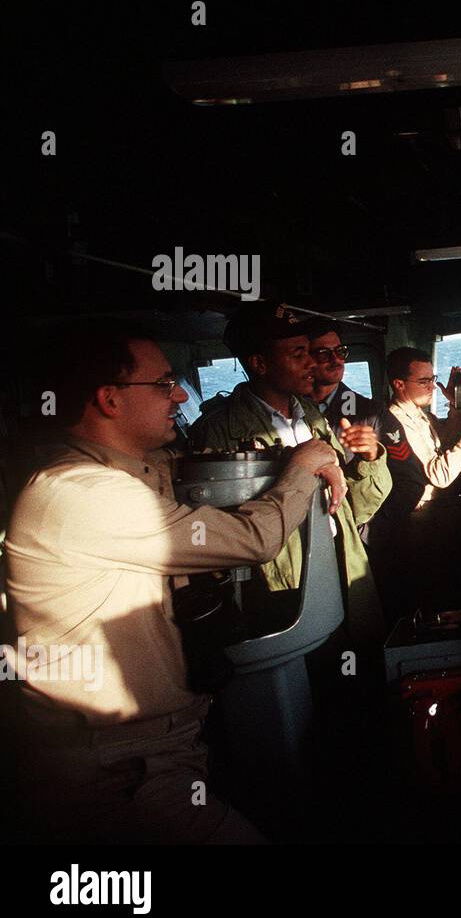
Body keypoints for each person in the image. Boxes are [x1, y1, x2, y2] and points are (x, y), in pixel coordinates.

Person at [3, 322, 343, 842]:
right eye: (164, 384)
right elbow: (254, 539)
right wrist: (303, 467)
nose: (181, 394)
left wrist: (315, 453)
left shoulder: (128, 470)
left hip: (155, 749)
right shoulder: (79, 493)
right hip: (118, 770)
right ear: (110, 400)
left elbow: (191, 467)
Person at [187, 302, 392, 655]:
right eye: (299, 354)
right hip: (281, 585)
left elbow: (350, 510)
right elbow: (215, 539)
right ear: (259, 363)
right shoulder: (218, 432)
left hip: (340, 565)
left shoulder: (313, 418)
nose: (312, 363)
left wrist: (371, 459)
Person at [368, 347, 461, 619]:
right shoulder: (396, 423)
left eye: (432, 378)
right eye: (424, 381)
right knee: (436, 598)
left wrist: (456, 404)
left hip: (438, 518)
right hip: (421, 526)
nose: (432, 387)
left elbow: (445, 438)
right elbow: (439, 474)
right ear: (399, 384)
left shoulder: (417, 414)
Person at [308, 326, 379, 444]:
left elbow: (405, 462)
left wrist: (373, 456)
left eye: (340, 351)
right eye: (323, 354)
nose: (335, 359)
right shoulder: (290, 409)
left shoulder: (371, 413)